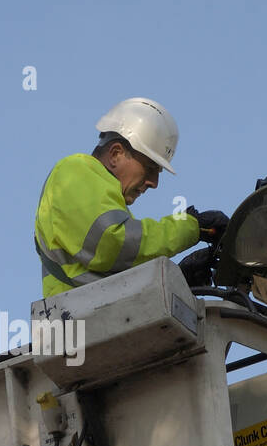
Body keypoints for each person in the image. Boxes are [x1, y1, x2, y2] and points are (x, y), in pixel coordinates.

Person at [34, 97, 228, 297]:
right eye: (150, 168)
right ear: (116, 154)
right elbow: (113, 242)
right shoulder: (75, 170)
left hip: (91, 320)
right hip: (80, 323)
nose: (154, 183)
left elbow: (120, 281)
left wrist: (179, 278)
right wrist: (189, 227)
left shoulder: (105, 205)